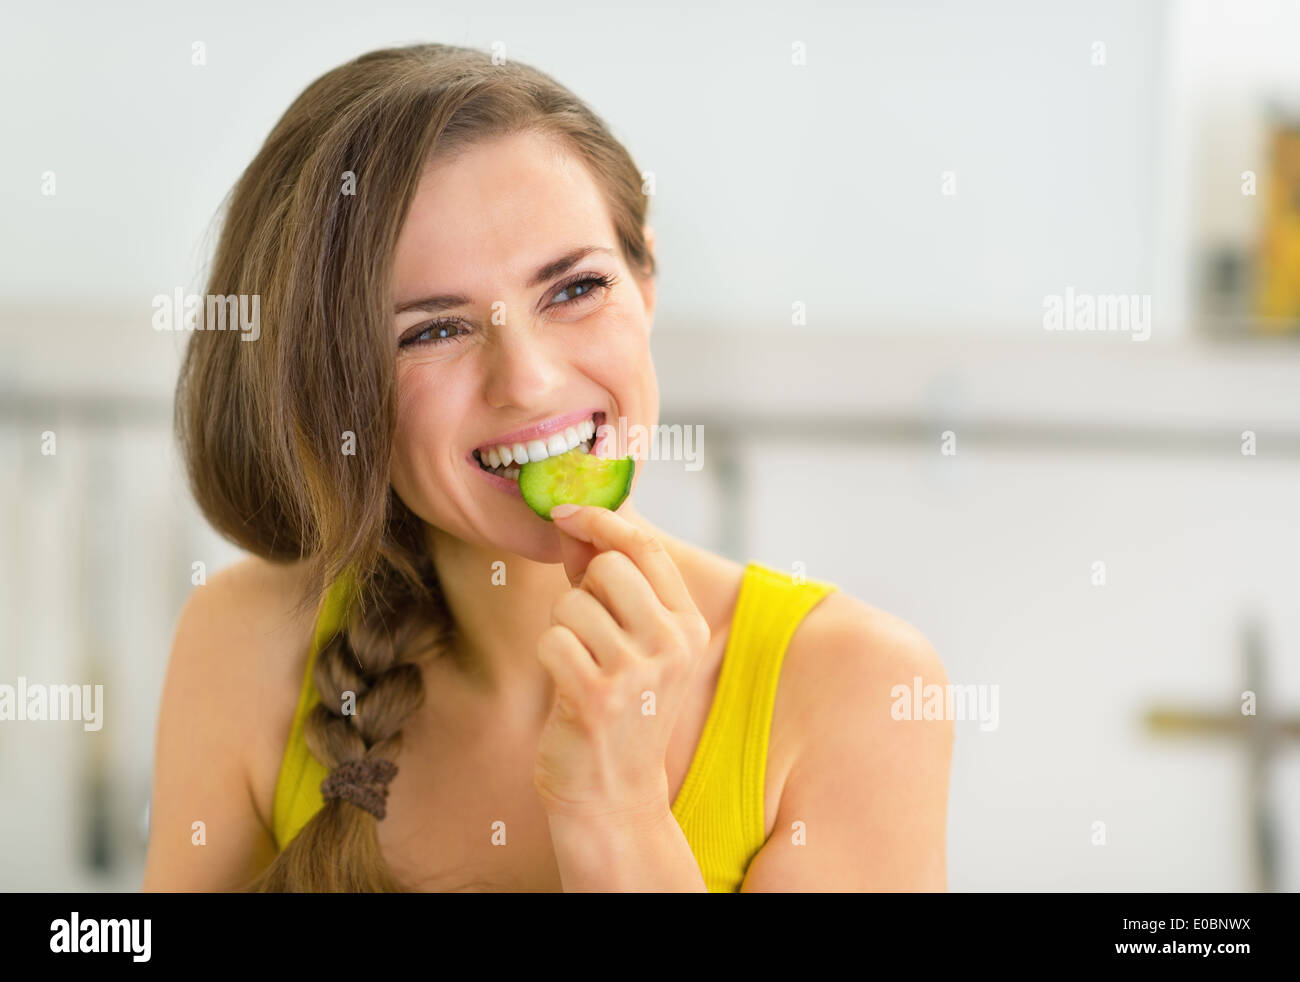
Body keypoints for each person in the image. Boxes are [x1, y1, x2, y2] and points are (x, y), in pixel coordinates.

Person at [141, 42, 952, 893]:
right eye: (432, 330)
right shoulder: (245, 644)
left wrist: (618, 812)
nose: (528, 381)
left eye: (573, 289)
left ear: (646, 279)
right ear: (328, 388)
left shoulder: (858, 687)